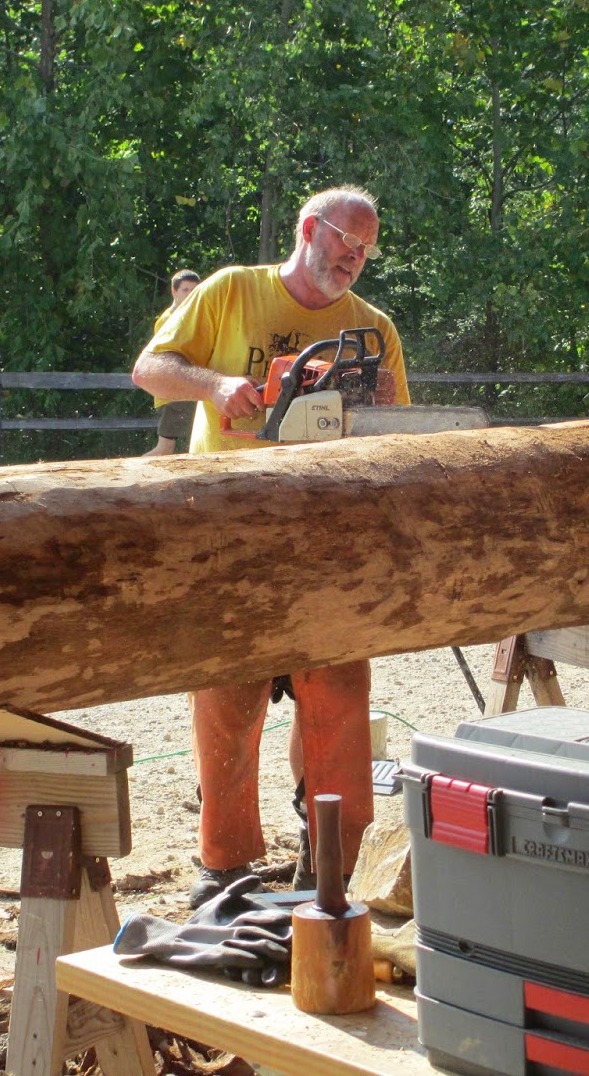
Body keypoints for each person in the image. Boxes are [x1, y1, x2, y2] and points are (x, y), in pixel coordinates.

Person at [131, 186, 410, 908]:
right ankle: (224, 865)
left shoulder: (372, 328)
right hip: (231, 530)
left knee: (341, 695)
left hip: (330, 539)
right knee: (229, 697)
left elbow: (400, 436)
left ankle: (335, 861)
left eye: (364, 251)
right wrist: (216, 383)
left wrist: (375, 410)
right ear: (308, 229)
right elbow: (150, 368)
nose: (353, 259)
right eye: (345, 242)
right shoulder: (229, 293)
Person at [141, 269, 203, 456]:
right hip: (173, 394)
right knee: (164, 449)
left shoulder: (191, 318)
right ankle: (129, 473)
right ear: (173, 291)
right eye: (185, 290)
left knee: (195, 447)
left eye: (194, 291)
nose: (190, 295)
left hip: (188, 391)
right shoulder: (169, 320)